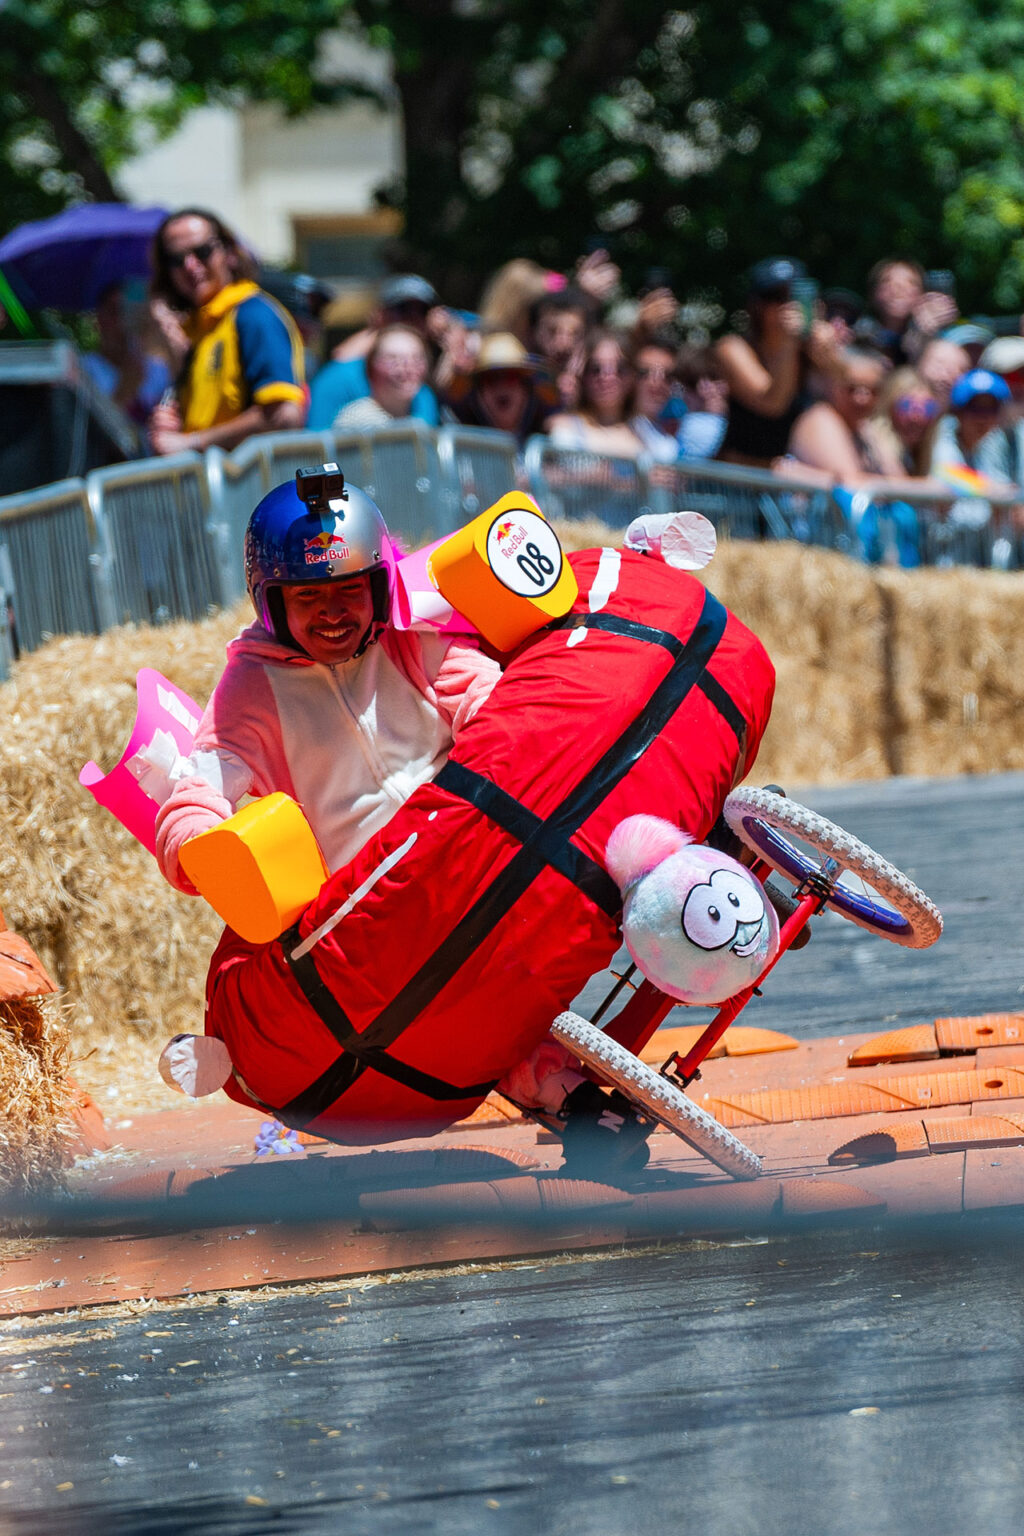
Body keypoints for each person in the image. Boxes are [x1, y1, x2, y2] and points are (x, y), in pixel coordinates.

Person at [154, 468, 500, 894]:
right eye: (307, 596)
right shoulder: (251, 683)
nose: (332, 613)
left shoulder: (409, 628)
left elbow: (488, 702)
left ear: (378, 585)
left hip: (468, 844)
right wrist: (200, 846)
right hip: (374, 902)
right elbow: (196, 794)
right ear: (271, 603)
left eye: (350, 590)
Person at [145, 208, 307, 456]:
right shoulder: (199, 331)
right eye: (176, 259)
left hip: (253, 491)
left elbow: (283, 416)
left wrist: (191, 443)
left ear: (229, 253)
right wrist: (173, 427)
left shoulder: (253, 315)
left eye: (202, 252)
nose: (190, 266)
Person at [714, 256, 841, 469]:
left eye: (794, 296)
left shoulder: (809, 348)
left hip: (791, 485)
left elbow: (852, 389)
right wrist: (789, 342)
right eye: (776, 297)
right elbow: (773, 404)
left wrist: (829, 352)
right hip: (737, 483)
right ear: (757, 306)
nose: (787, 306)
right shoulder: (733, 347)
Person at [307, 274, 443, 430]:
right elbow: (317, 443)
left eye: (423, 311)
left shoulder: (422, 393)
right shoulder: (338, 377)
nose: (413, 317)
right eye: (402, 309)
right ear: (379, 315)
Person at [81, 281, 172, 426]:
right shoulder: (84, 370)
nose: (122, 322)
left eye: (129, 314)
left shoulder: (159, 372)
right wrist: (124, 391)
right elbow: (88, 434)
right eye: (114, 311)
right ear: (98, 319)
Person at [441, 331, 558, 444]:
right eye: (491, 379)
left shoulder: (551, 442)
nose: (501, 386)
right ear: (478, 393)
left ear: (526, 389)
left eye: (511, 377)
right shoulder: (461, 444)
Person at [546, 329, 644, 458]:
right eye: (595, 369)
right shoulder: (564, 426)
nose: (607, 376)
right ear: (583, 377)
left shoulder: (644, 431)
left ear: (633, 376)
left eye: (620, 368)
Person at [329, 324, 434, 432]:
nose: (407, 369)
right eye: (393, 359)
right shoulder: (357, 422)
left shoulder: (423, 412)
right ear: (371, 366)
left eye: (416, 359)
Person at [857, 257, 958, 366]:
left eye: (911, 282)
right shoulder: (858, 337)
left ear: (923, 295)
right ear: (873, 293)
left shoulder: (938, 339)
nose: (898, 289)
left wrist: (924, 336)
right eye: (886, 281)